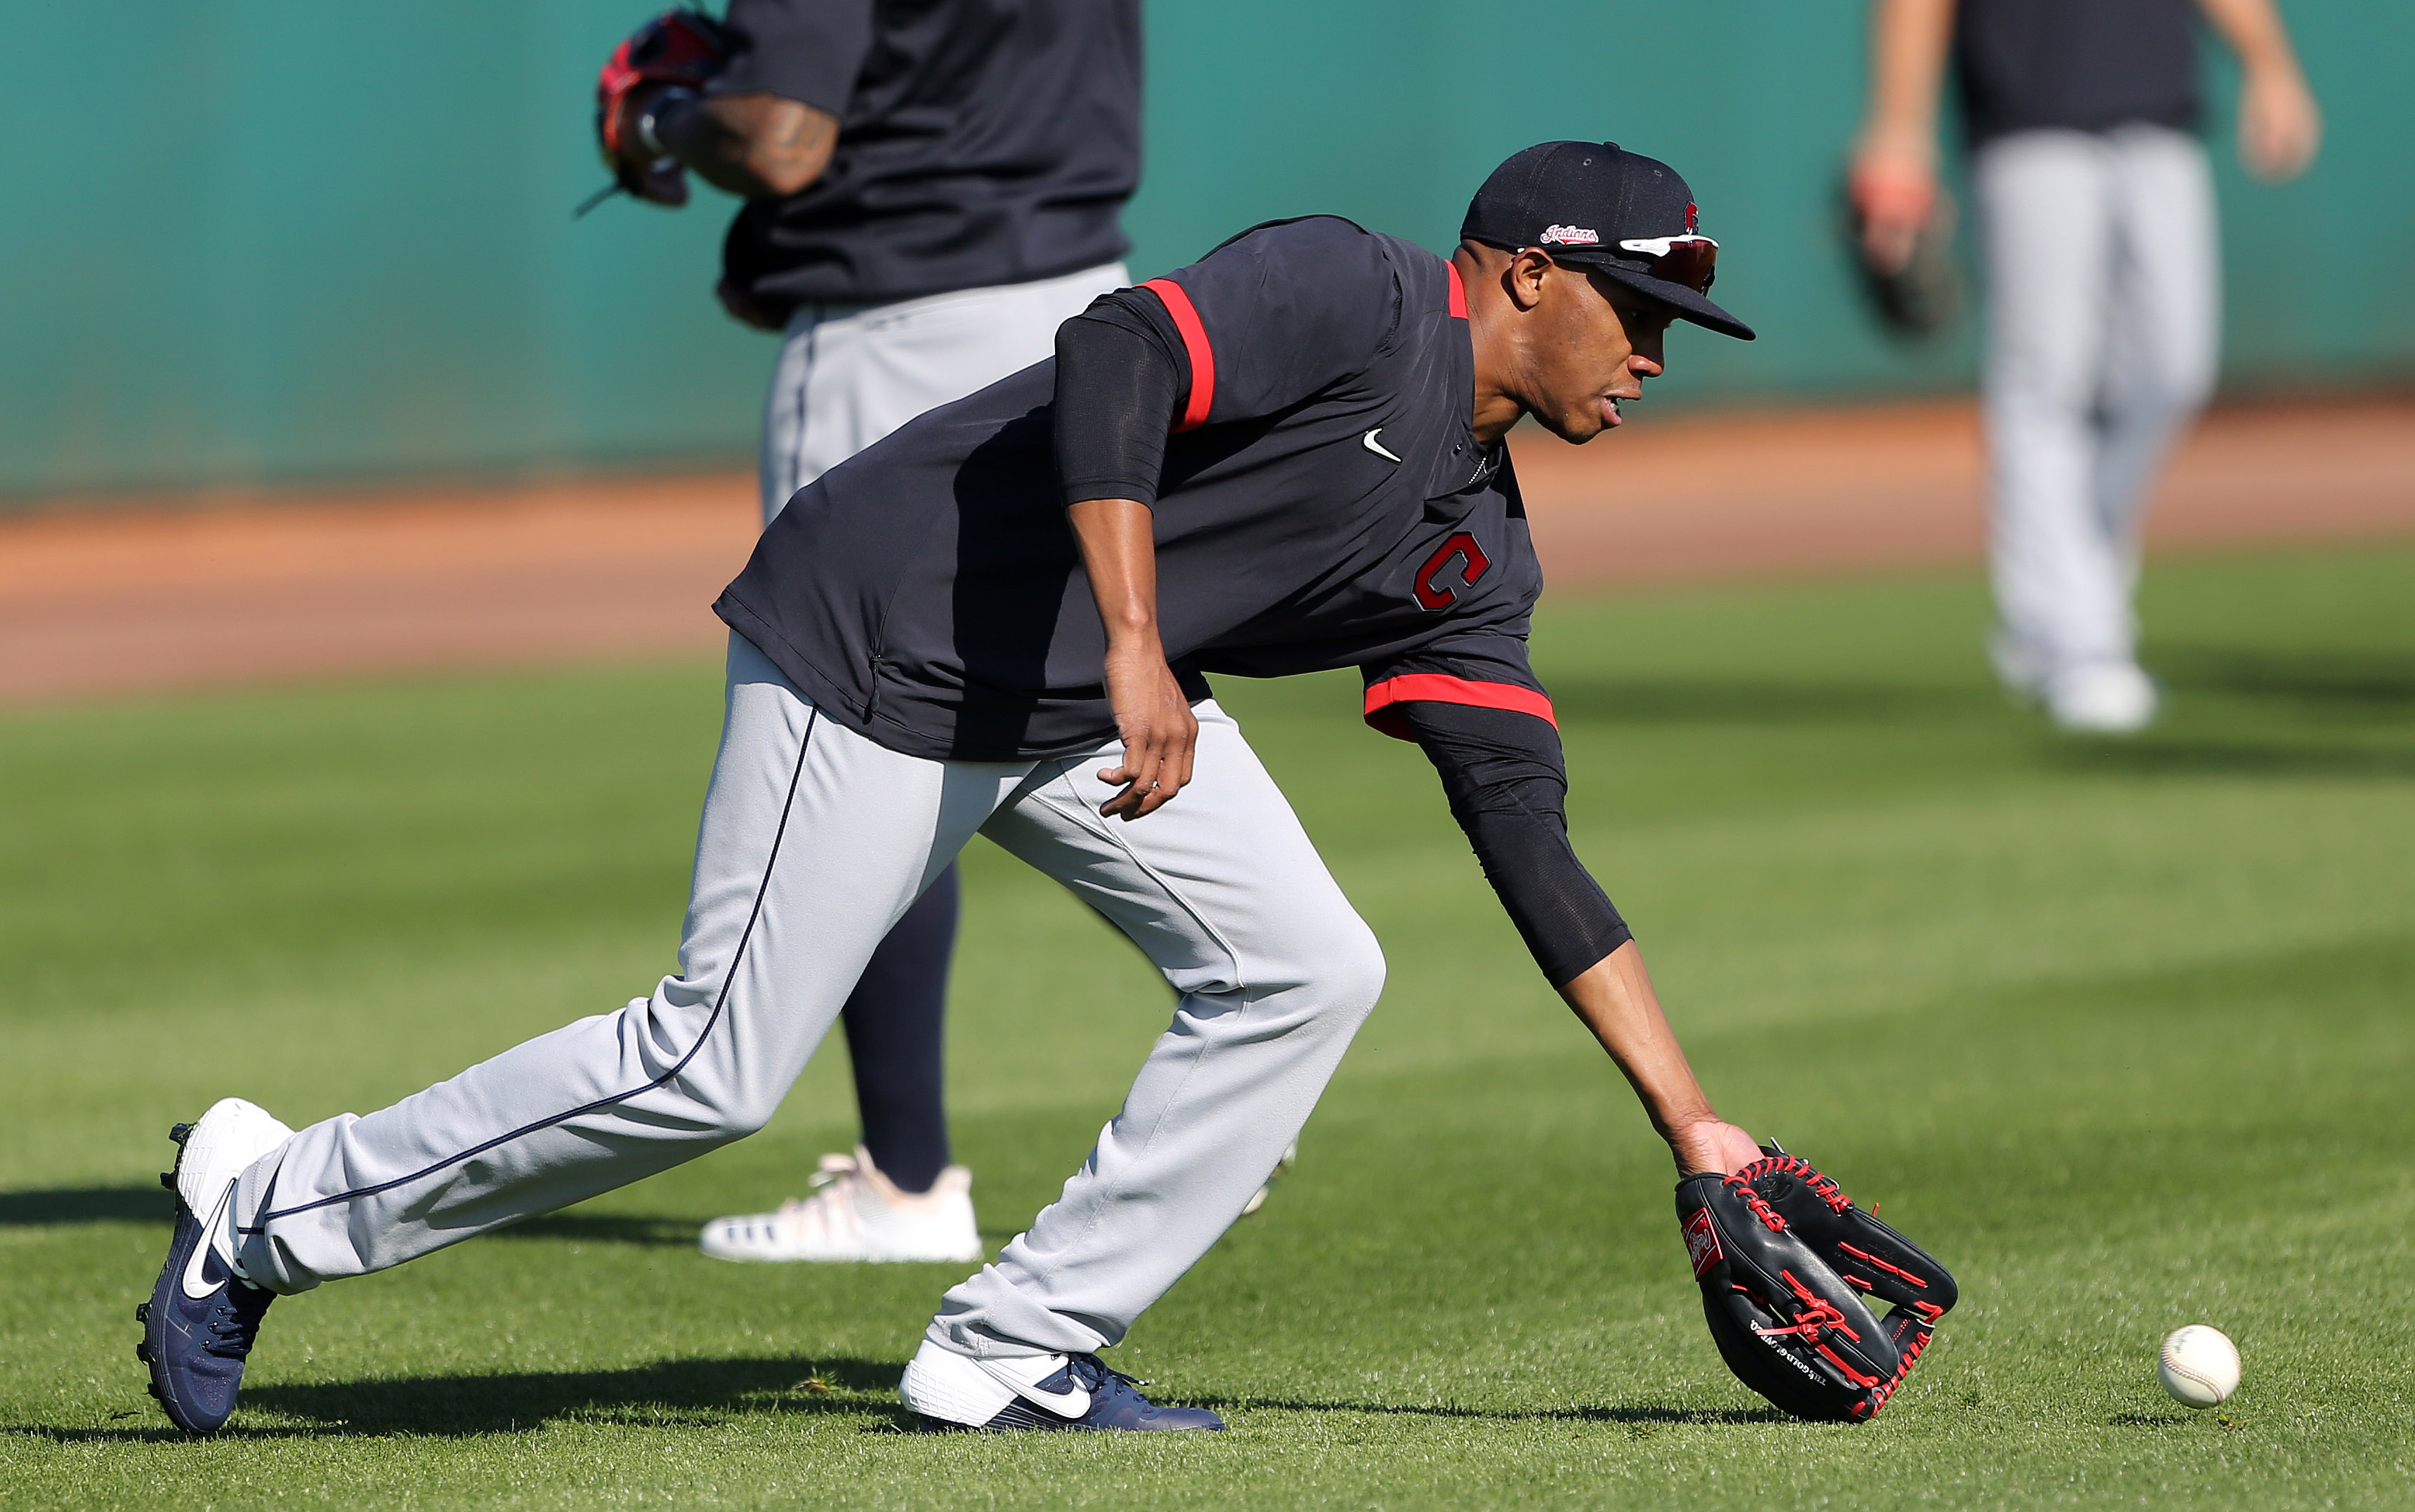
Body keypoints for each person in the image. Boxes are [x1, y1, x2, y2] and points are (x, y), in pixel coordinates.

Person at [136, 140, 1770, 1437]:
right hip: (891, 631)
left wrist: (1693, 1125)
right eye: (1642, 317)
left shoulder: (1473, 547)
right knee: (711, 1065)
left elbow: (1526, 840)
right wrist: (1138, 639)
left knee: (1308, 968)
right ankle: (262, 1213)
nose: (1655, 358)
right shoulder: (1356, 289)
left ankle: (1012, 1347)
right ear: (1526, 275)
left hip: (1078, 704)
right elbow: (1117, 350)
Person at [603, 0, 1144, 1261]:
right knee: (1051, 688)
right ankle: (1229, 1019)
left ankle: (903, 1181)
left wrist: (665, 116)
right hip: (1086, 316)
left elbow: (783, 138)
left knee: (870, 730)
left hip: (897, 340)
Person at [1850, 0, 2320, 732]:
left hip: (2159, 111)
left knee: (2174, 370)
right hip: (2031, 115)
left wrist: (2270, 62)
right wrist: (1900, 127)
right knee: (2044, 379)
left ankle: (2064, 600)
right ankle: (2078, 642)